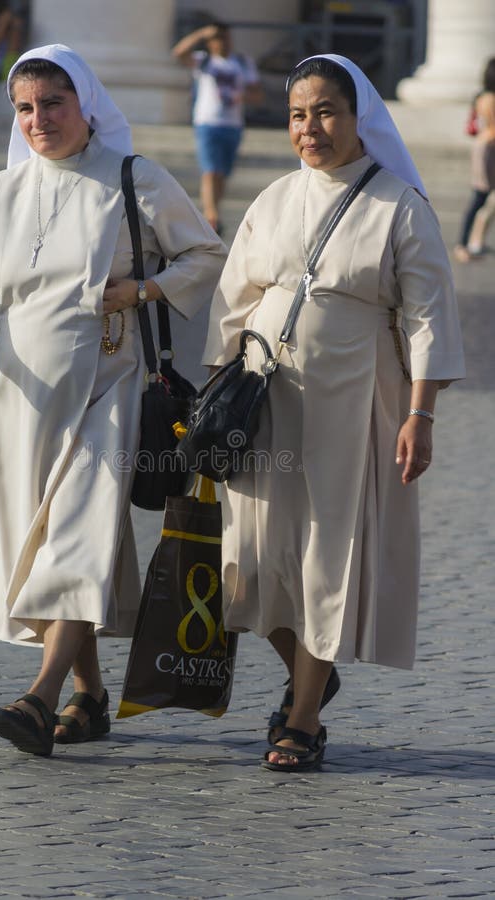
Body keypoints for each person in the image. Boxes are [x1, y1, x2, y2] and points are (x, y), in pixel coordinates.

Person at [0, 43, 226, 757]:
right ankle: (90, 694)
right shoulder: (2, 192)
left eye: (53, 103)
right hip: (22, 394)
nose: (39, 119)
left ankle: (38, 698)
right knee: (56, 539)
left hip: (110, 383)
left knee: (76, 531)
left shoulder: (133, 179)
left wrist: (141, 290)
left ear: (85, 106)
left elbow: (205, 254)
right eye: (25, 107)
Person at [202, 54, 465, 773]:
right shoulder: (274, 199)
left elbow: (427, 320)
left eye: (323, 112)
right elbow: (232, 296)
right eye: (295, 114)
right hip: (262, 402)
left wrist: (421, 416)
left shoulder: (398, 206)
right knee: (249, 566)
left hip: (353, 405)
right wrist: (213, 391)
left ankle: (304, 717)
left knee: (325, 557)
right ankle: (310, 672)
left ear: (357, 120)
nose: (308, 127)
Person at [171, 21, 263, 234]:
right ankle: (211, 217)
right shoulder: (203, 62)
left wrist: (244, 96)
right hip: (207, 123)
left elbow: (257, 94)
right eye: (217, 38)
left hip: (233, 124)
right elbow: (178, 53)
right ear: (210, 42)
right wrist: (201, 32)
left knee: (221, 174)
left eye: (225, 37)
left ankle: (214, 212)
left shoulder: (242, 63)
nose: (222, 42)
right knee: (210, 171)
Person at [454, 57, 495, 263]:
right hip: (489, 148)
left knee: (480, 198)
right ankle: (463, 243)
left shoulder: (481, 96)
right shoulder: (491, 99)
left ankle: (471, 242)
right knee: (479, 197)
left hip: (483, 147)